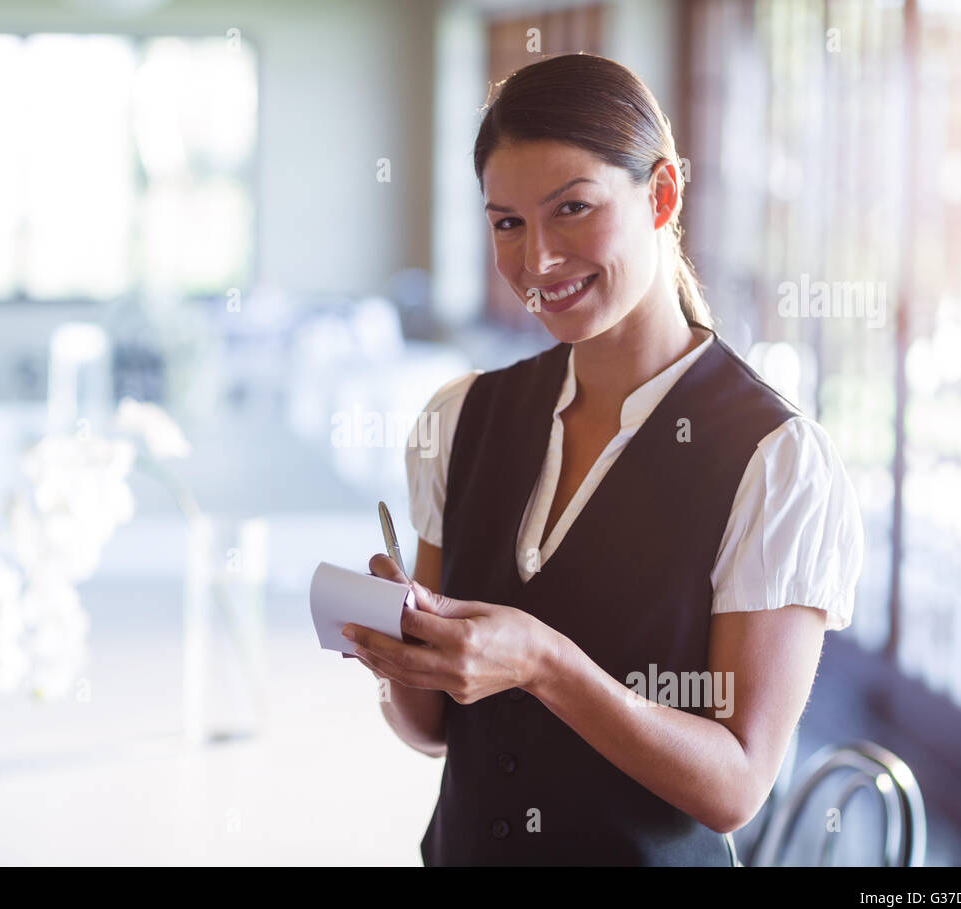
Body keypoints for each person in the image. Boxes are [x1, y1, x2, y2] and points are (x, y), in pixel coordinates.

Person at [339, 53, 864, 865]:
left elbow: (736, 786)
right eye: (507, 222)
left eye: (573, 208)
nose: (538, 261)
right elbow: (433, 730)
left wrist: (546, 664)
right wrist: (398, 654)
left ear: (662, 194)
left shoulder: (774, 460)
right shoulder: (463, 418)